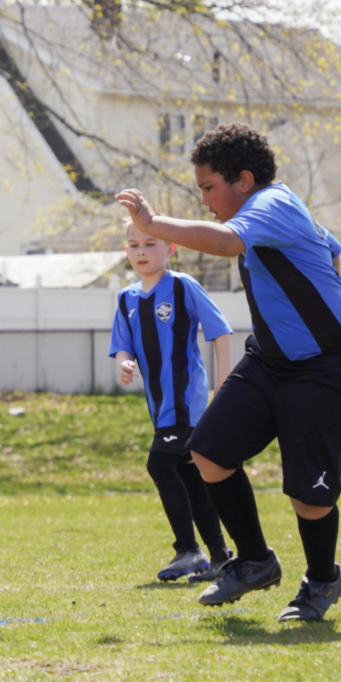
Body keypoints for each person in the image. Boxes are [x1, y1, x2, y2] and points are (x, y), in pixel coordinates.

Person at [116, 122, 341, 622]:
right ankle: (254, 562)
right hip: (271, 360)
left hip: (324, 367)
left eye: (209, 188)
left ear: (245, 180)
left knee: (307, 496)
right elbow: (332, 249)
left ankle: (322, 581)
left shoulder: (271, 204)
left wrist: (154, 222)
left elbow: (228, 242)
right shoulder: (274, 209)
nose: (206, 199)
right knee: (207, 452)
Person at [110, 222, 234, 583]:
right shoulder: (127, 298)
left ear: (172, 249)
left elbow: (221, 331)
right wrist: (124, 363)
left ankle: (187, 550)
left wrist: (223, 385)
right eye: (134, 245)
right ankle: (220, 557)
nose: (142, 251)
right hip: (161, 410)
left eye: (151, 243)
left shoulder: (182, 287)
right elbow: (122, 345)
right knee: (189, 476)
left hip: (188, 404)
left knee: (160, 465)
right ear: (126, 251)